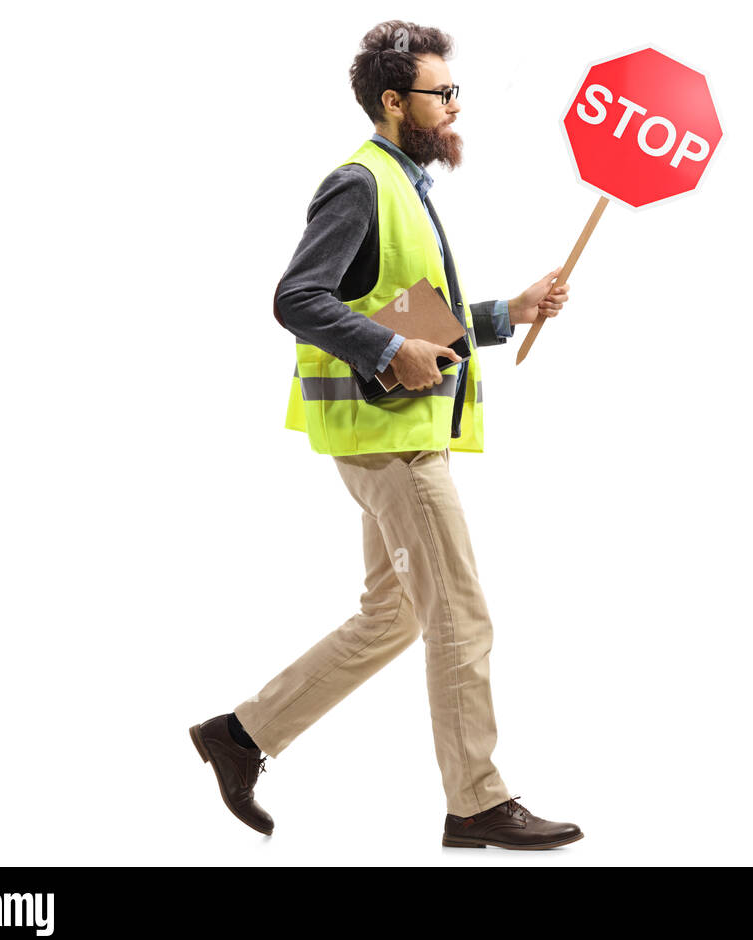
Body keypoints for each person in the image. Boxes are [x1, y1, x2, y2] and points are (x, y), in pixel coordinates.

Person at [188, 20, 581, 851]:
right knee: (460, 615)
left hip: (384, 435)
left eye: (452, 92)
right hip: (393, 444)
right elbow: (298, 297)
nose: (452, 108)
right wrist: (388, 350)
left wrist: (507, 312)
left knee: (394, 614)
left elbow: (412, 313)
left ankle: (241, 735)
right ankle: (477, 800)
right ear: (394, 102)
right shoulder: (361, 184)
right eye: (440, 94)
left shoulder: (405, 185)